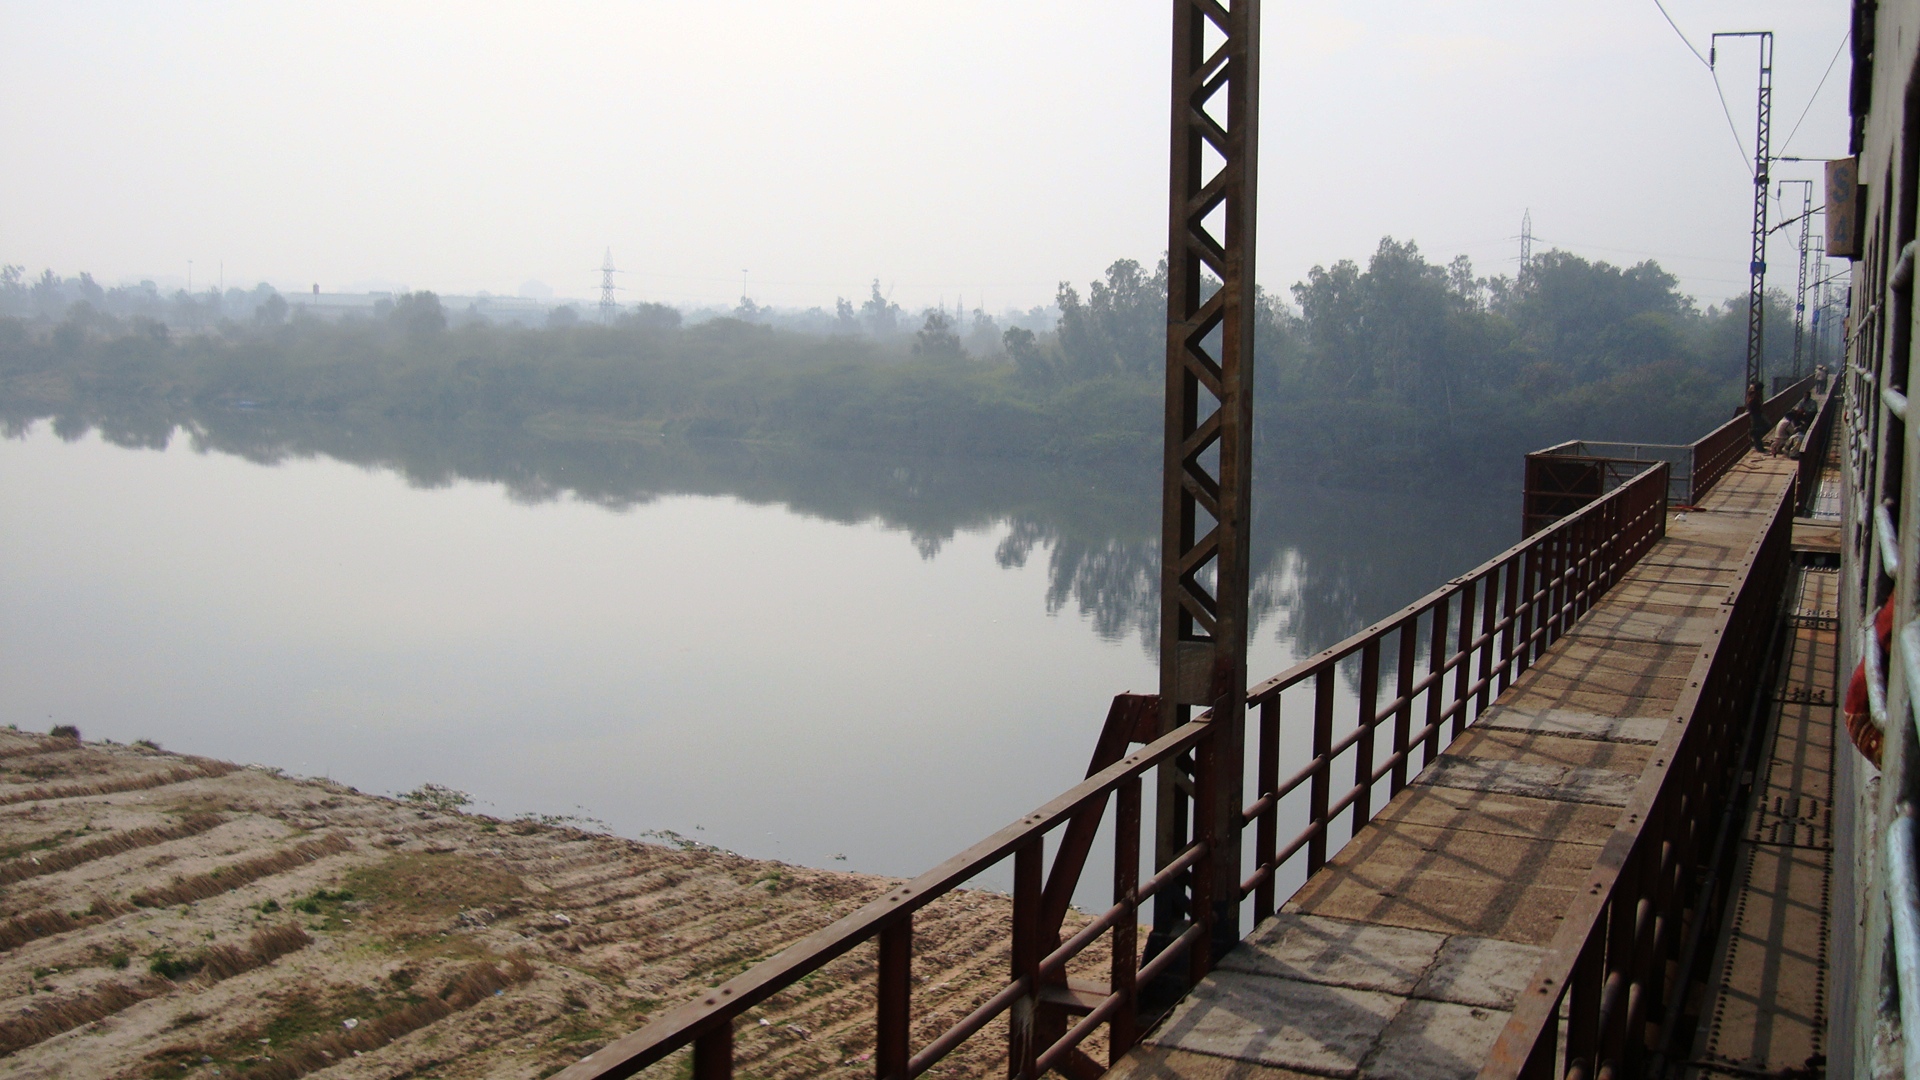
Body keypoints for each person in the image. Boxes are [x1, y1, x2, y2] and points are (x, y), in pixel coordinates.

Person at [1746, 381, 1768, 451]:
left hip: (1757, 414)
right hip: (1755, 415)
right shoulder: (1754, 397)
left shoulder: (1754, 395)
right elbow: (1753, 406)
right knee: (1757, 432)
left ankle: (1758, 445)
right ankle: (1759, 447)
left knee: (1760, 430)